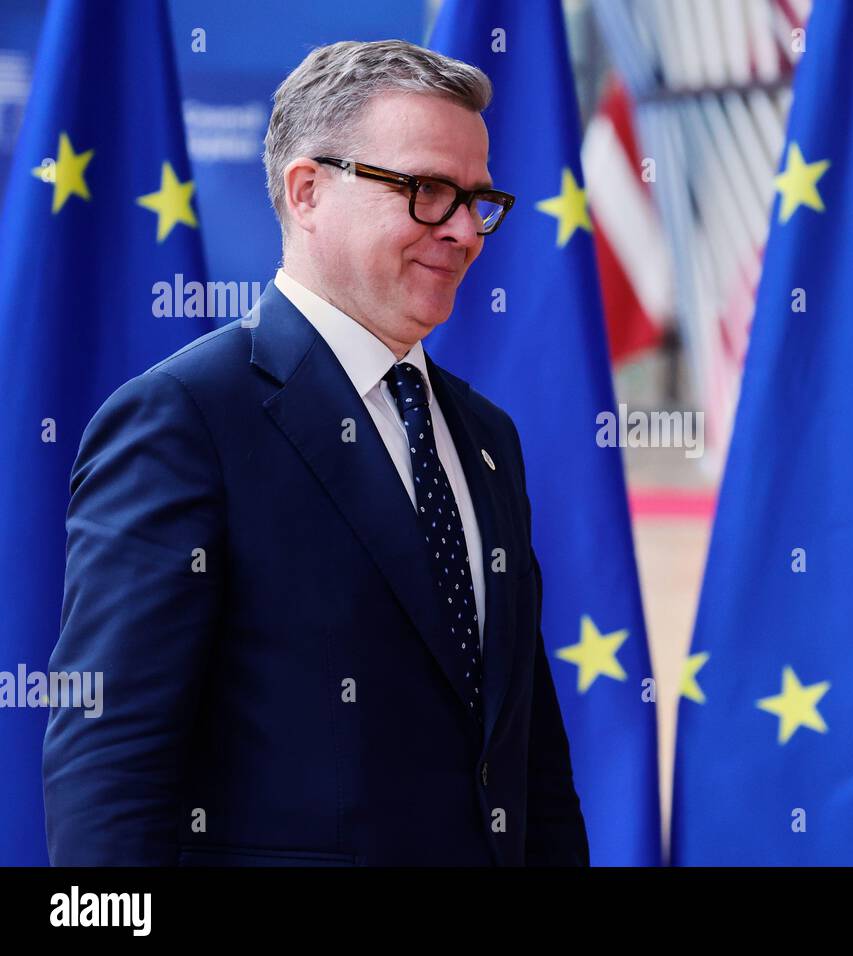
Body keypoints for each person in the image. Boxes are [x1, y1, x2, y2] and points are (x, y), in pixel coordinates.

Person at [42, 39, 589, 866]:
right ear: (307, 191)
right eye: (427, 190)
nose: (463, 233)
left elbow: (527, 754)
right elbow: (110, 770)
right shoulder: (184, 421)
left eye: (478, 200)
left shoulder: (485, 437)